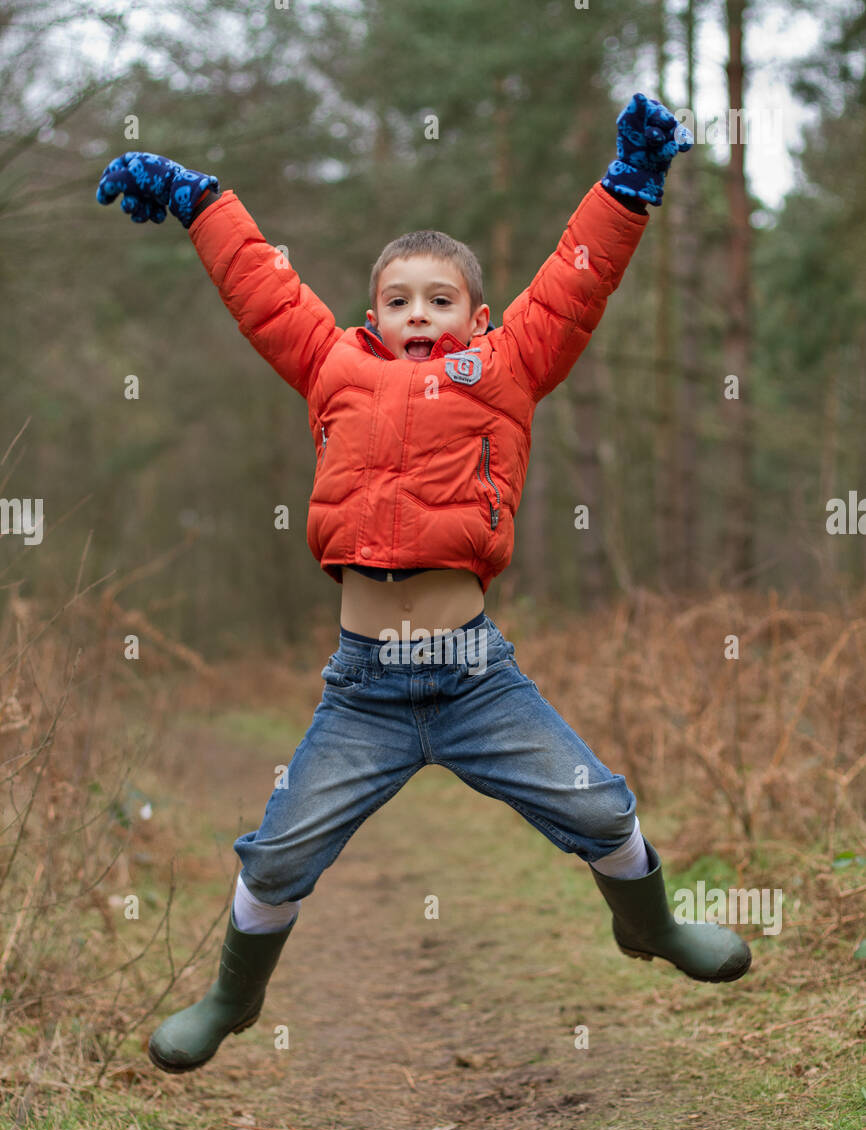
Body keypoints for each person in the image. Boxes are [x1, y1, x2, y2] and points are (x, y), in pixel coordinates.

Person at [96, 94, 751, 1075]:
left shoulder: (507, 369)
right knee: (276, 858)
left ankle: (651, 928)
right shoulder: (331, 369)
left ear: (475, 317)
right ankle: (234, 999)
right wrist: (202, 203)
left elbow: (573, 286)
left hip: (473, 677)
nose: (416, 314)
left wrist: (627, 186)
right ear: (372, 315)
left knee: (603, 814)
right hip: (364, 690)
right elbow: (265, 293)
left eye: (438, 299)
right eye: (398, 299)